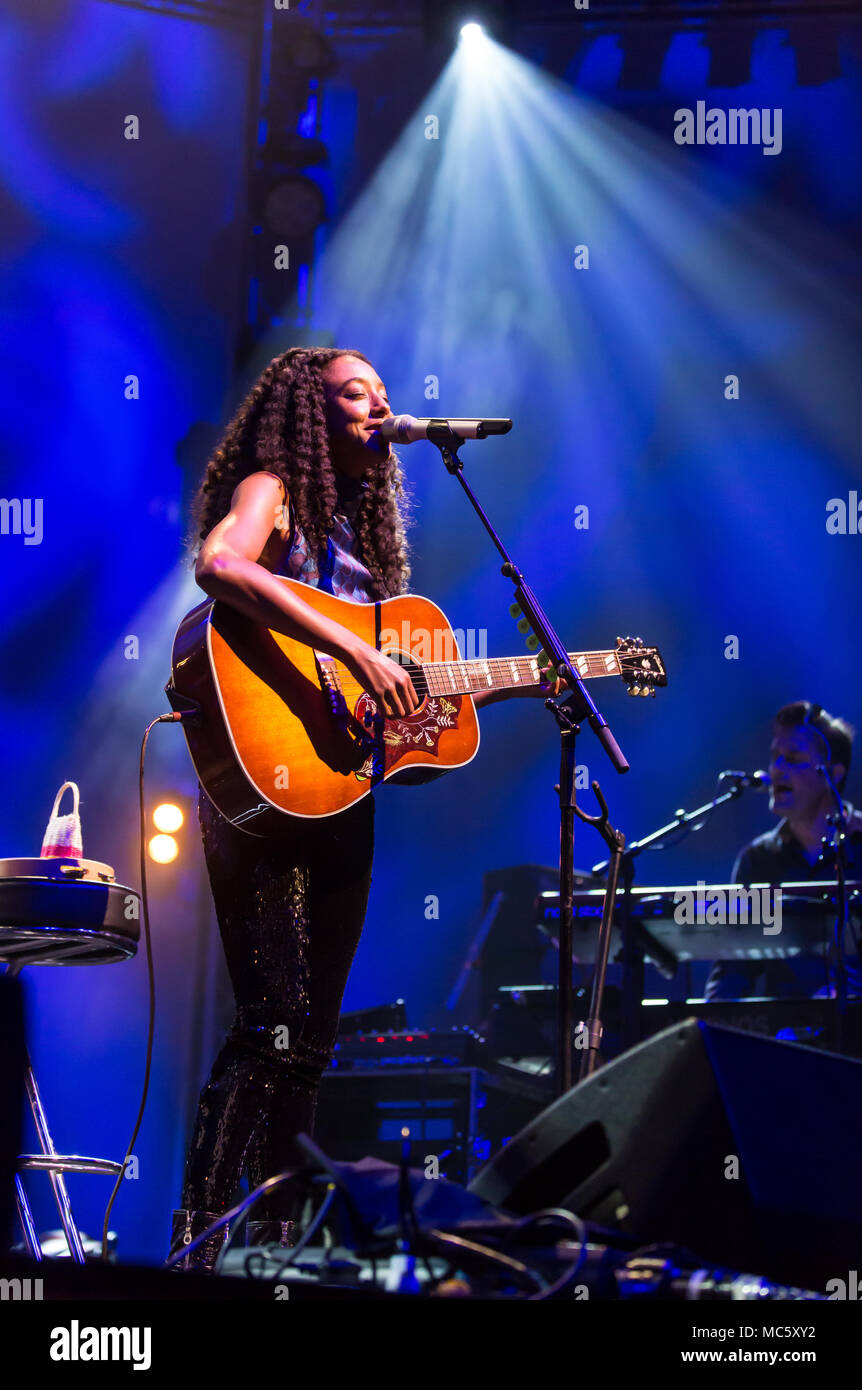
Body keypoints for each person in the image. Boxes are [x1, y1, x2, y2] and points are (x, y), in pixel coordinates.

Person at [168, 346, 562, 1270]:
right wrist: (353, 655)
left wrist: (538, 677)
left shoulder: (362, 549)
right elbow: (220, 566)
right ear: (311, 411)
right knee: (269, 1022)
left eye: (386, 396)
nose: (379, 409)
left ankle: (267, 1249)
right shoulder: (274, 490)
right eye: (356, 394)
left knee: (308, 1042)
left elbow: (411, 698)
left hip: (339, 795)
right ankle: (194, 1246)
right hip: (260, 782)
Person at [703, 701, 862, 1002]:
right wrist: (704, 1030)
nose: (777, 769)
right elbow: (734, 968)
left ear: (834, 773)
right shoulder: (758, 859)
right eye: (775, 757)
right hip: (784, 1040)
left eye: (793, 758)